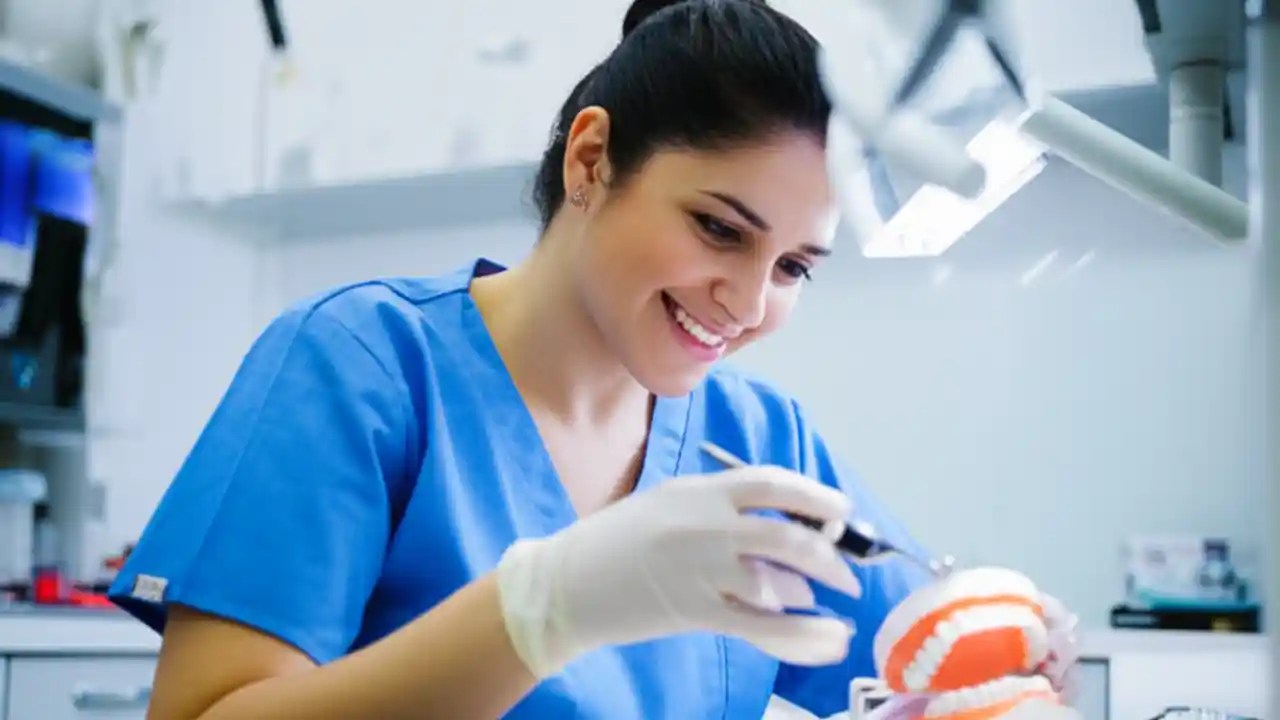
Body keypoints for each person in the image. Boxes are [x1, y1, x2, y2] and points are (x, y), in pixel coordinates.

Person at [109, 1, 1075, 718]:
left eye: (793, 267)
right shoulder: (365, 366)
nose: (748, 303)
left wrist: (1016, 651)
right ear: (590, 161)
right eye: (717, 228)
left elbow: (928, 655)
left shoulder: (758, 440)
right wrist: (544, 611)